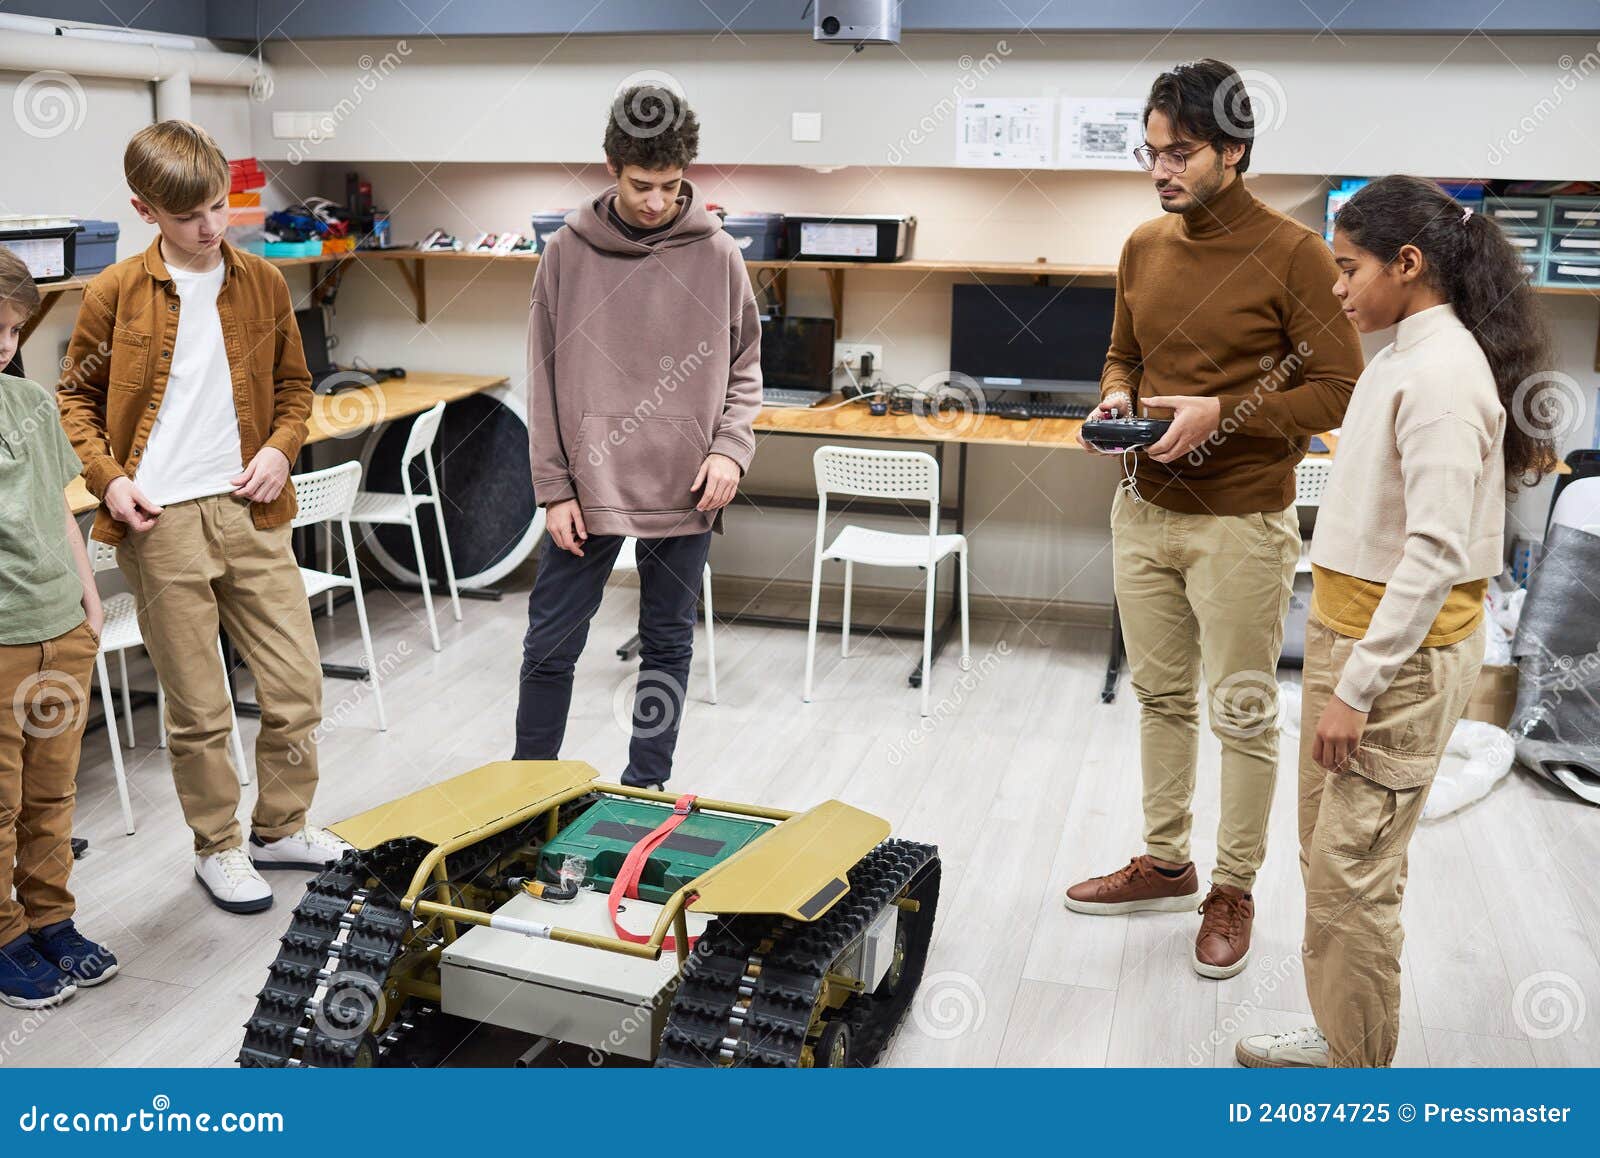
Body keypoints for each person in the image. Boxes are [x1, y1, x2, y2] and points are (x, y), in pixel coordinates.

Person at [1236, 175, 1555, 1067]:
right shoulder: (1401, 358)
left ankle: (1359, 1072)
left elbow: (1434, 554)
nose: (1336, 289)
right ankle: (1345, 1032)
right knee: (1332, 857)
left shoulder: (1445, 377)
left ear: (1406, 266)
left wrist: (1358, 690)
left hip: (1397, 661)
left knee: (1350, 875)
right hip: (1355, 640)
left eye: (1349, 269)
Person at [1063, 59, 1364, 980]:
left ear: (1234, 150)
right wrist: (1117, 402)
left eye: (1181, 152)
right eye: (1152, 152)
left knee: (1238, 710)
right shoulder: (1143, 247)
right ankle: (1165, 861)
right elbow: (1122, 354)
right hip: (1143, 509)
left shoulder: (1294, 254)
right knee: (1158, 698)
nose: (1162, 170)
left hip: (1242, 521)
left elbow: (1340, 389)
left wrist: (1221, 416)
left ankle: (1232, 886)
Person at [56, 120, 347, 916]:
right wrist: (110, 481)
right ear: (144, 210)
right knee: (199, 708)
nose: (210, 227)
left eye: (220, 207)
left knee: (296, 685)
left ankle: (279, 827)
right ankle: (217, 846)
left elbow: (296, 388)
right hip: (160, 523)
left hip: (251, 509)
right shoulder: (113, 292)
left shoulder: (261, 283)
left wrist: (284, 450)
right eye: (188, 216)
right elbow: (73, 399)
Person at [515, 85, 760, 788]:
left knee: (666, 647)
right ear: (610, 167)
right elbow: (543, 376)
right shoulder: (565, 252)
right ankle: (527, 789)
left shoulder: (718, 256)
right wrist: (553, 489)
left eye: (671, 186)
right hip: (586, 492)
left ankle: (646, 785)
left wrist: (729, 451)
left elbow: (746, 367)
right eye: (641, 185)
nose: (656, 201)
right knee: (549, 645)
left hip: (687, 488)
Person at [0, 248, 118, 1007]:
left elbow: (58, 507)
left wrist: (88, 598)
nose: (0, 346)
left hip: (60, 626)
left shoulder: (33, 406)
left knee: (52, 794)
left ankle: (51, 917)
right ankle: (6, 934)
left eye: (10, 332)